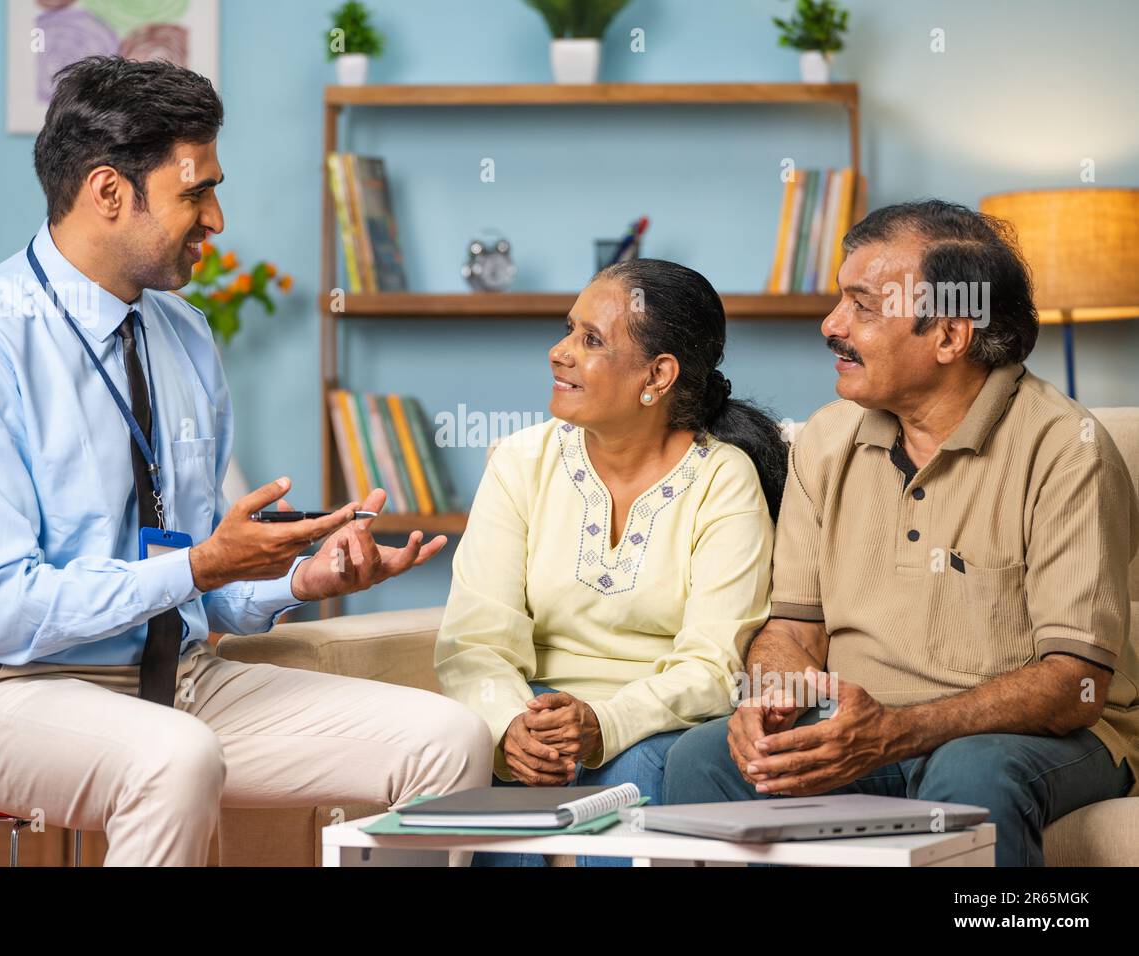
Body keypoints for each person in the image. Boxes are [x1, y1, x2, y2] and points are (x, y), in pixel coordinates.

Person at [0, 56, 491, 866]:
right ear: (109, 192)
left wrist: (296, 580)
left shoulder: (186, 336)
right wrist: (203, 565)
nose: (216, 218)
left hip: (182, 679)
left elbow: (193, 577)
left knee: (448, 738)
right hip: (3, 697)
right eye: (195, 191)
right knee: (173, 757)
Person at [663, 200, 1139, 866]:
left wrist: (901, 731)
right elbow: (793, 630)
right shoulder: (826, 439)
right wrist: (771, 702)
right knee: (705, 759)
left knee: (970, 776)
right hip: (863, 723)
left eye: (863, 305)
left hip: (1033, 738)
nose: (832, 325)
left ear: (950, 335)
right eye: (839, 300)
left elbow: (1073, 685)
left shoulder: (1067, 450)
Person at [434, 258, 784, 865]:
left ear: (659, 374)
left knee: (642, 772)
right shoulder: (521, 461)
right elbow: (475, 639)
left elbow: (712, 665)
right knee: (507, 770)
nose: (559, 352)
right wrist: (511, 724)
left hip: (655, 723)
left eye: (590, 340)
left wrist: (603, 722)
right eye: (569, 329)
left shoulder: (723, 479)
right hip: (533, 708)